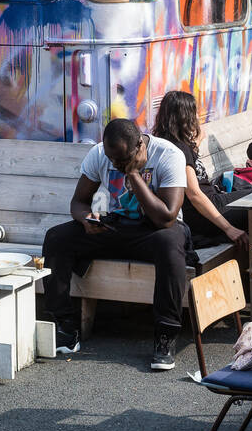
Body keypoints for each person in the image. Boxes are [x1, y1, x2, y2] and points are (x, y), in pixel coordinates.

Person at [41, 118, 191, 370]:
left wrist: (134, 174)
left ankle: (165, 335)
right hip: (119, 225)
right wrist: (87, 218)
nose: (115, 165)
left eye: (121, 160)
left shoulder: (168, 155)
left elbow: (166, 217)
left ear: (140, 145)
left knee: (169, 243)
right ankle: (65, 326)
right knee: (57, 238)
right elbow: (78, 202)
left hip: (157, 230)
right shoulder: (99, 154)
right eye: (112, 160)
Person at [151, 91, 250, 252]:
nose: (197, 117)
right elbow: (194, 194)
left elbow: (189, 164)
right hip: (207, 213)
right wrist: (229, 229)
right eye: (194, 113)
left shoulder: (168, 144)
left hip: (210, 205)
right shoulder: (179, 149)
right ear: (184, 117)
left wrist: (196, 142)